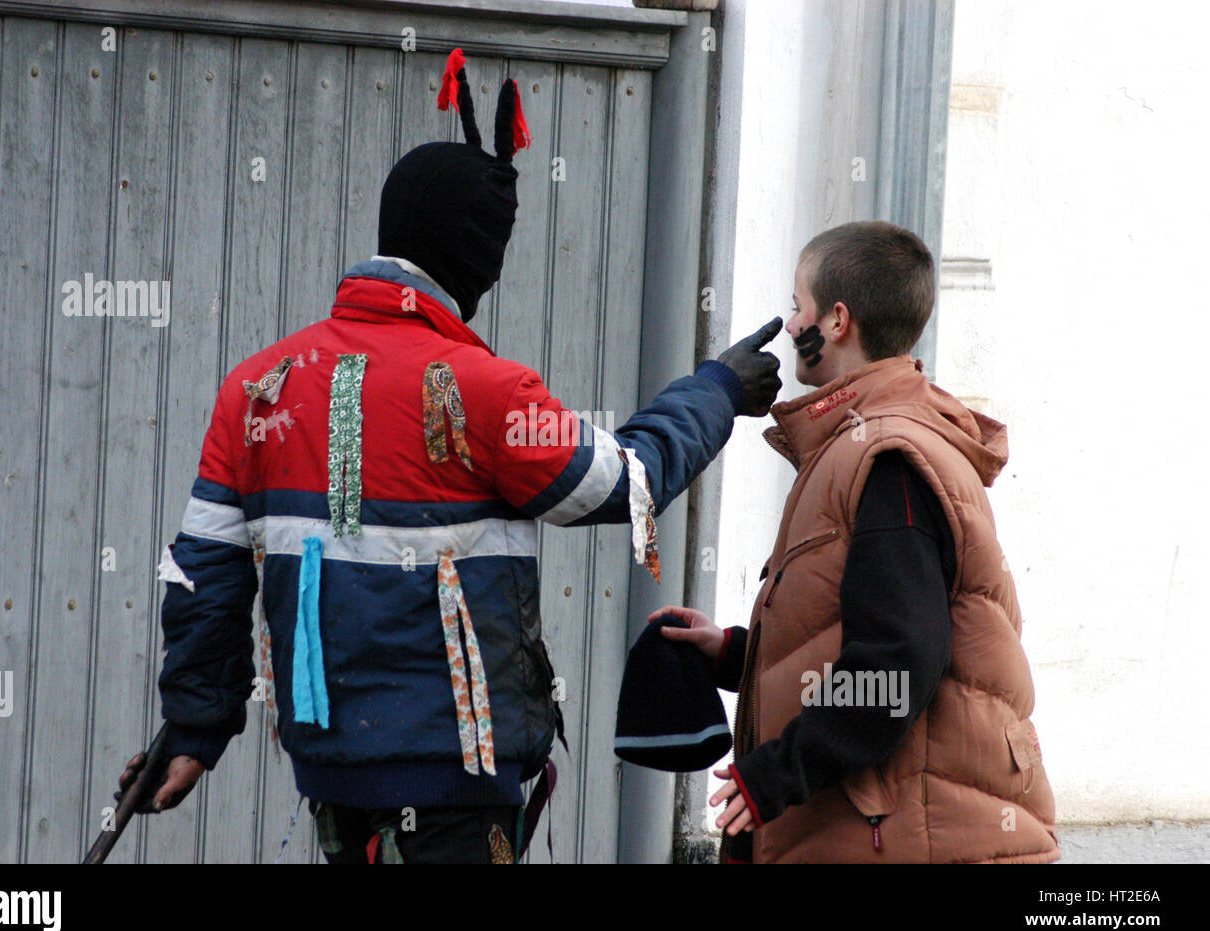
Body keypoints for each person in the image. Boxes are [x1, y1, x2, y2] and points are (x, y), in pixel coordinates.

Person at [116, 49, 783, 864]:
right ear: (475, 252)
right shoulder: (481, 391)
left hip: (335, 781)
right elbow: (631, 481)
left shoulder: (260, 385)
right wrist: (719, 389)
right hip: (458, 794)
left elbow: (204, 576)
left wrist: (193, 729)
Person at [652, 220, 1059, 863]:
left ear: (837, 321)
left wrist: (777, 775)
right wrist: (737, 654)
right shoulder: (869, 443)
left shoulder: (888, 456)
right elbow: (865, 628)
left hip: (910, 839)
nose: (789, 327)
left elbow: (897, 662)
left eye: (797, 307)